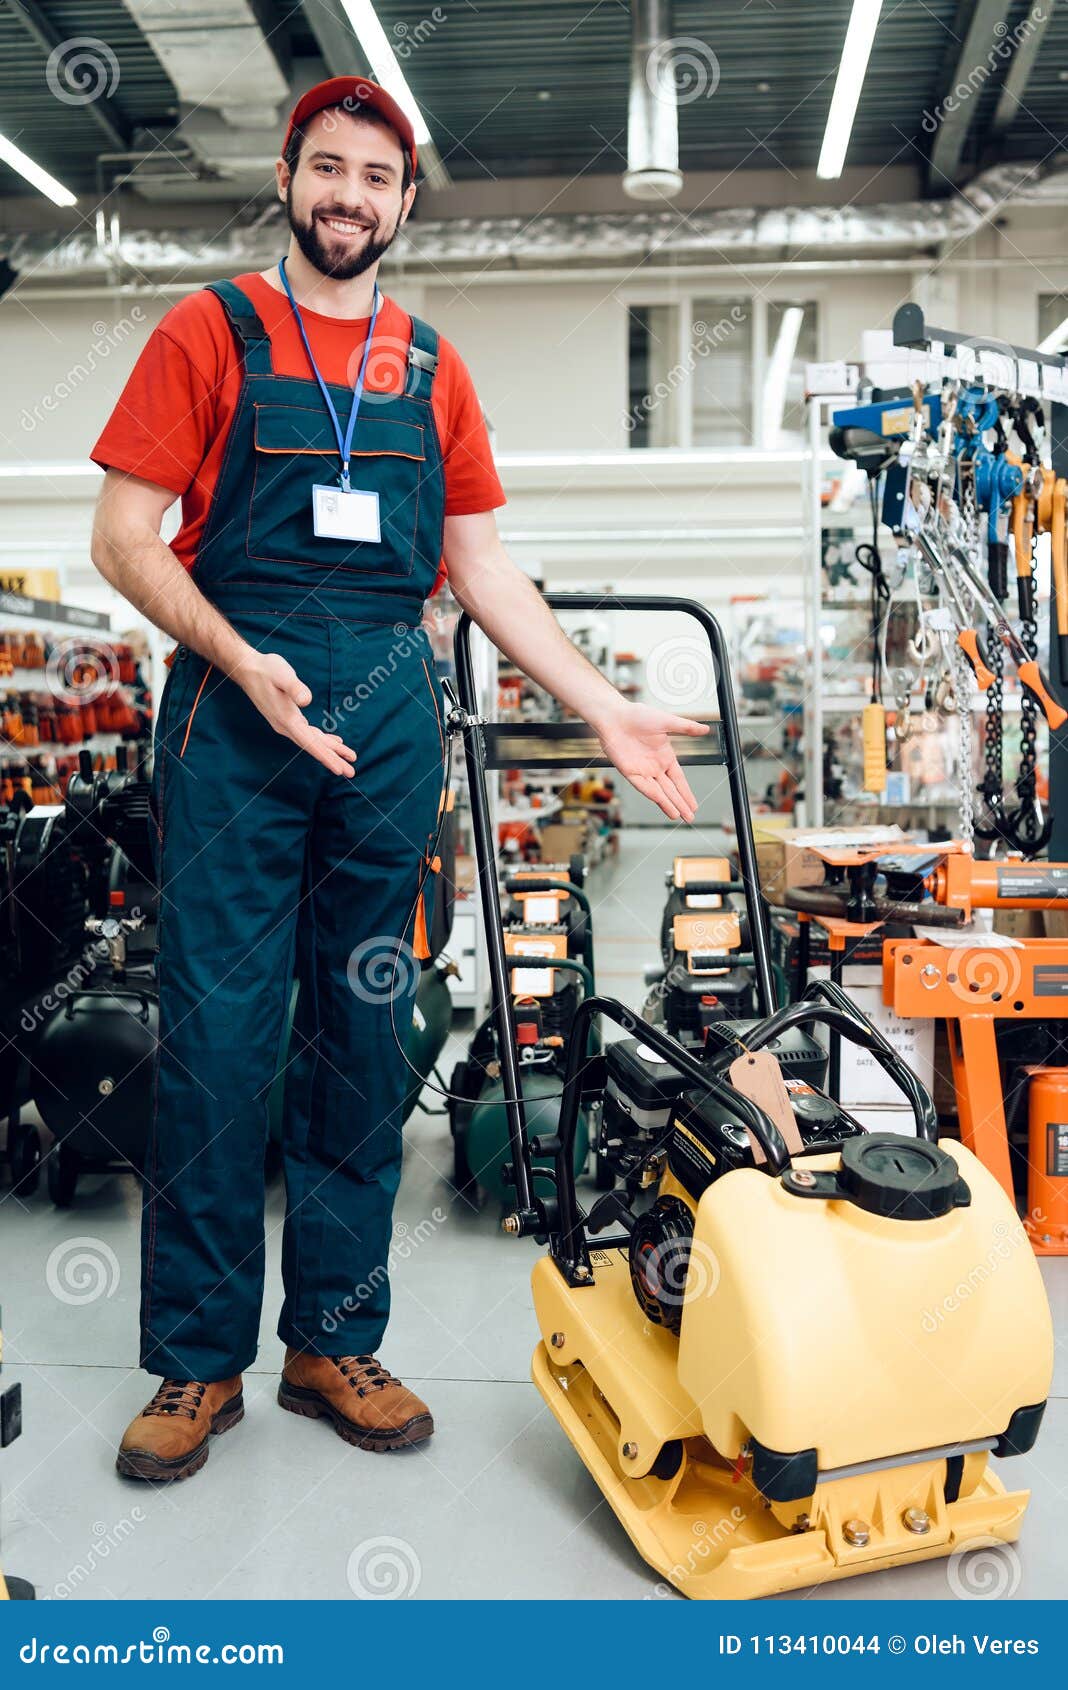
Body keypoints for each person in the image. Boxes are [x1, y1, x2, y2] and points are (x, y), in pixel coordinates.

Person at [90, 75, 705, 1484]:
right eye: (326, 169)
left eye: (376, 176)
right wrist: (240, 660)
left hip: (384, 724)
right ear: (290, 180)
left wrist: (607, 705)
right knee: (218, 1047)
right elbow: (125, 539)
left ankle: (332, 1339)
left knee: (367, 1038)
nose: (348, 195)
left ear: (404, 200)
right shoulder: (211, 332)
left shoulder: (432, 369)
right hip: (237, 719)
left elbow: (483, 569)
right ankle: (195, 1364)